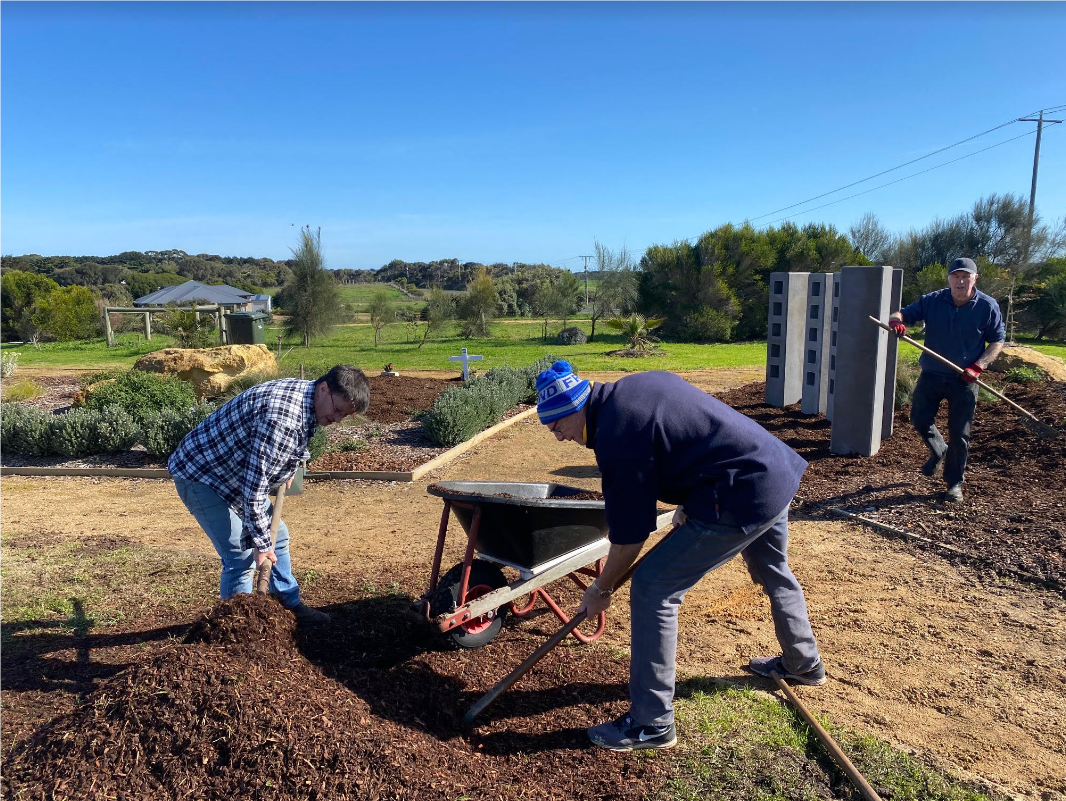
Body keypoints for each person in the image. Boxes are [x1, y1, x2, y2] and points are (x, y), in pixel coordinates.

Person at [536, 360, 824, 752]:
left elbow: (629, 539)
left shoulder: (618, 437)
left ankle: (651, 723)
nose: (556, 436)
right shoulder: (630, 390)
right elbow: (687, 433)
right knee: (773, 568)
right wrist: (692, 493)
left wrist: (601, 587)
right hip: (769, 469)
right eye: (548, 428)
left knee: (654, 587)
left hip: (739, 493)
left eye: (557, 425)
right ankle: (803, 664)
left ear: (578, 406)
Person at [170, 365, 370, 625]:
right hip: (202, 475)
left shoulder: (308, 396)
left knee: (279, 535)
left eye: (345, 415)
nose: (338, 419)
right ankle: (236, 629)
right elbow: (253, 489)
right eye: (338, 410)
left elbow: (292, 440)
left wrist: (289, 466)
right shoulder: (283, 419)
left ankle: (288, 602)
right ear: (324, 388)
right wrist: (262, 545)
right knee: (240, 558)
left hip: (234, 472)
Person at [888, 257, 1005, 503]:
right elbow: (903, 313)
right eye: (955, 276)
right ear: (949, 278)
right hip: (931, 373)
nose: (960, 281)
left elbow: (997, 341)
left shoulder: (987, 306)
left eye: (966, 276)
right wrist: (896, 321)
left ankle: (954, 484)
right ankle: (939, 450)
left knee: (960, 434)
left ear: (975, 278)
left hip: (964, 379)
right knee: (919, 419)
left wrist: (979, 365)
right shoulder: (933, 300)